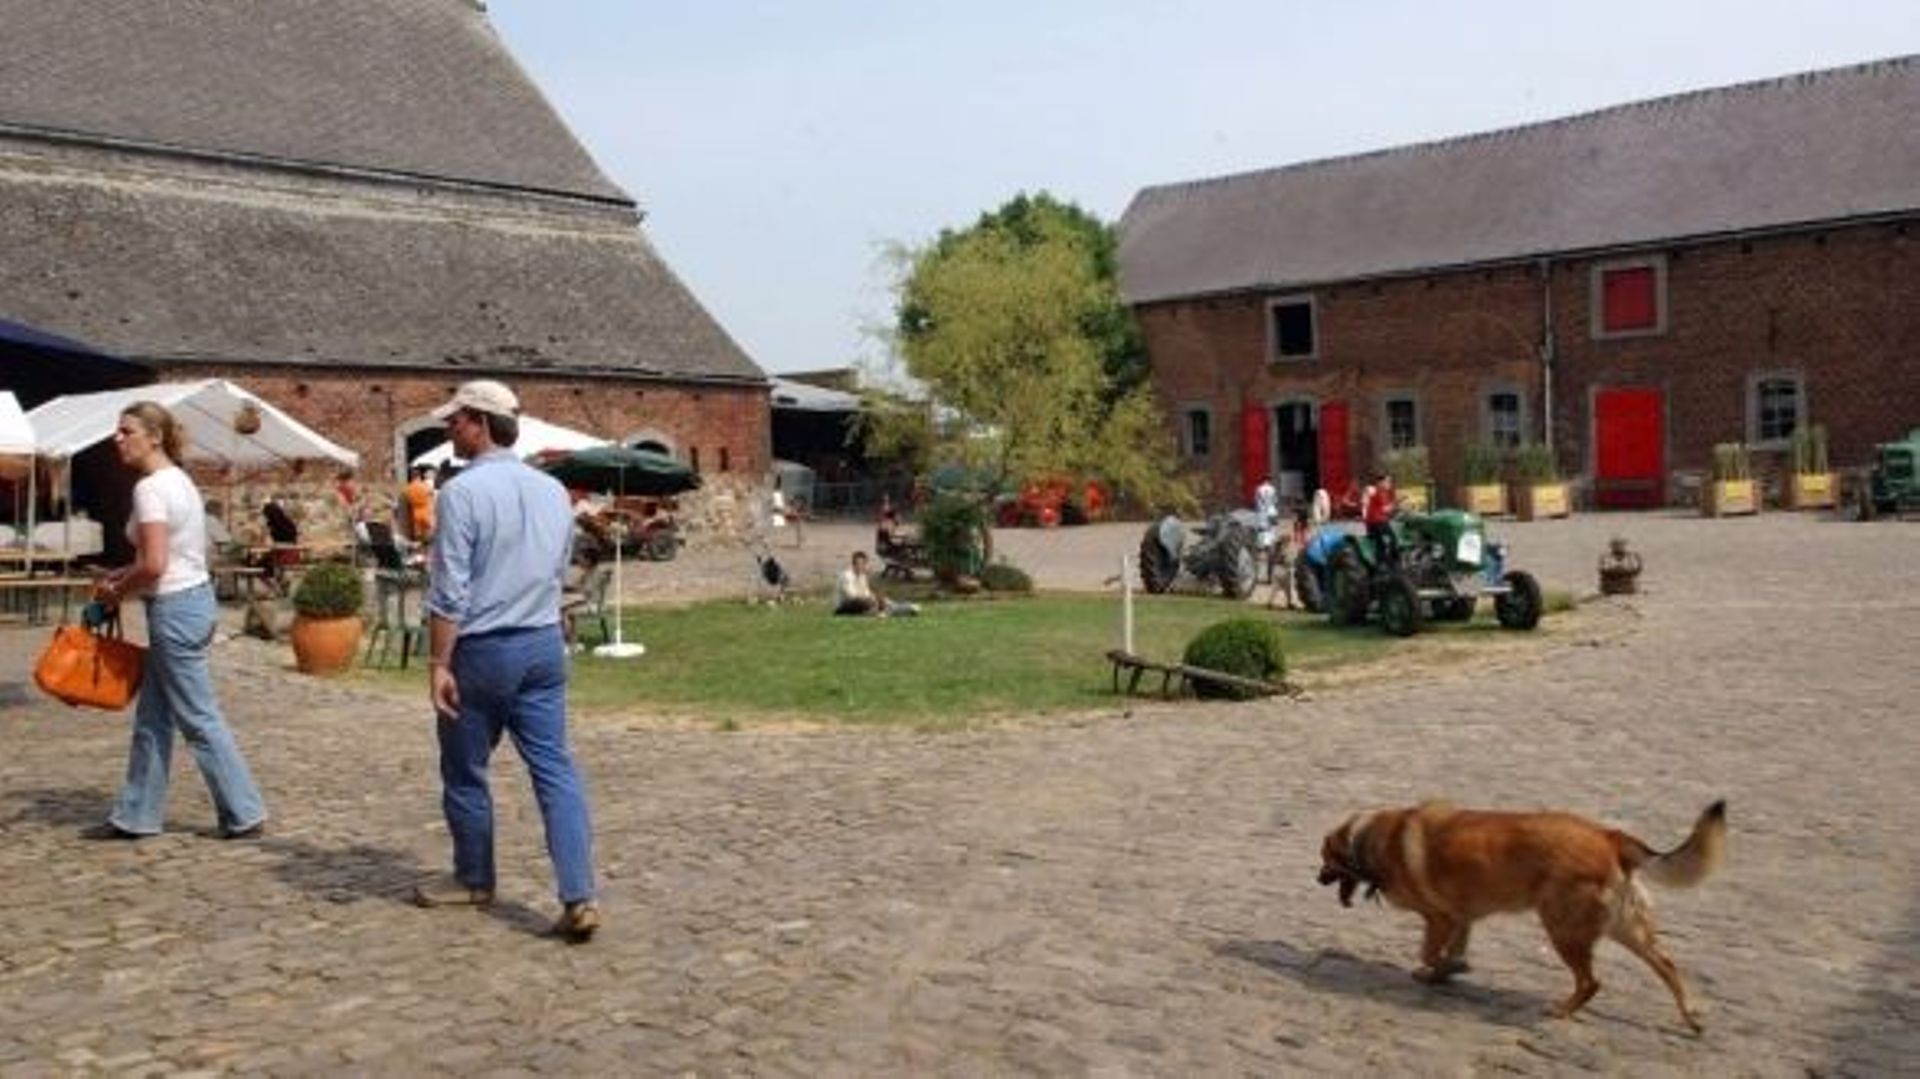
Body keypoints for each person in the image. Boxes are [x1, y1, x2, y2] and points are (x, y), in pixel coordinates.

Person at [417, 379, 600, 942]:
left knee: (465, 767)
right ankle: (580, 893)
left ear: (478, 422)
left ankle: (474, 877)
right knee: (555, 770)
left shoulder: (463, 492)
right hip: (543, 643)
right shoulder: (552, 490)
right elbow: (556, 568)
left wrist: (438, 663)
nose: (449, 430)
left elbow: (451, 589)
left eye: (455, 421)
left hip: (485, 648)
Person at [87, 402, 267, 841]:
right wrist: (124, 575)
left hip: (174, 608)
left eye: (126, 431)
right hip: (190, 601)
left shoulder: (150, 489)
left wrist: (117, 588)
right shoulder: (181, 481)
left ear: (154, 437)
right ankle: (137, 814)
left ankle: (244, 810)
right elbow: (174, 557)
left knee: (198, 716)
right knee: (154, 715)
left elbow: (153, 563)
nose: (117, 439)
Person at [833, 550, 917, 617]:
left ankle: (902, 608)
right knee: (867, 602)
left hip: (859, 604)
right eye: (859, 564)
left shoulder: (862, 576)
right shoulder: (847, 576)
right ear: (854, 564)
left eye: (864, 564)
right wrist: (870, 599)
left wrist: (875, 597)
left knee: (881, 600)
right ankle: (895, 610)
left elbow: (866, 592)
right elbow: (852, 596)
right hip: (844, 606)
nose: (862, 566)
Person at [1362, 469, 1399, 565]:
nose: (1389, 484)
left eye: (1390, 481)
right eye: (1387, 481)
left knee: (1389, 539)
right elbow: (1385, 509)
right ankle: (1391, 564)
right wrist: (1396, 504)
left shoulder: (1384, 493)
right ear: (1380, 483)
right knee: (1392, 540)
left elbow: (1388, 510)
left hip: (1379, 521)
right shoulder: (1378, 493)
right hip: (1375, 522)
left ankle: (1392, 562)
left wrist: (1397, 506)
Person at [404, 465, 436, 543]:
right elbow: (432, 495)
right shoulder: (425, 486)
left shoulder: (408, 488)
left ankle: (420, 551)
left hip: (415, 512)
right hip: (426, 511)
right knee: (429, 535)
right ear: (419, 476)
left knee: (417, 536)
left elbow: (407, 500)